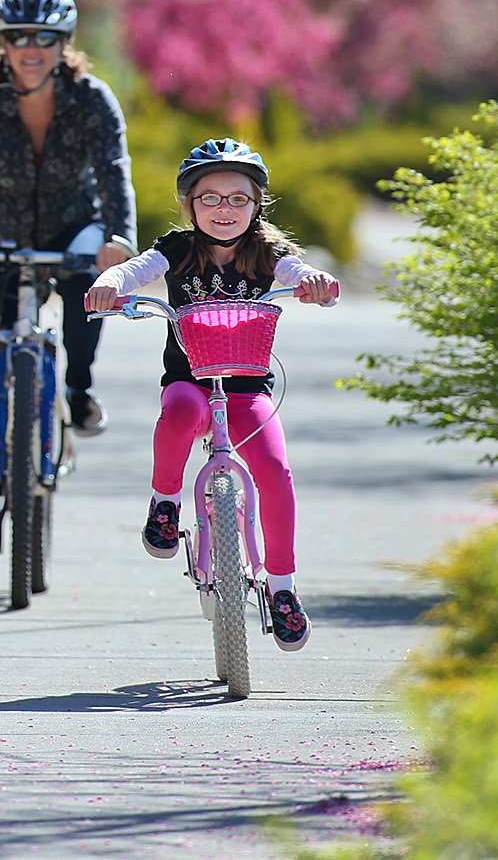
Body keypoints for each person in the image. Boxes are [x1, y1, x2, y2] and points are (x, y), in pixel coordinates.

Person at [83, 137, 339, 651]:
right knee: (178, 412)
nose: (224, 209)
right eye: (211, 198)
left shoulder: (268, 252)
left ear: (257, 204)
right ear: (190, 204)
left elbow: (297, 272)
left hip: (247, 388)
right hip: (190, 381)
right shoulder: (176, 249)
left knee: (274, 468)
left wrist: (314, 281)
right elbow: (134, 271)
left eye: (238, 199)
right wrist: (111, 281)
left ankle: (283, 587)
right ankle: (164, 502)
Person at [0, 0, 135, 555]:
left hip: (75, 227)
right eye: (19, 37)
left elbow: (114, 170)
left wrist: (120, 239)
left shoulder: (92, 99)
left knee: (90, 285)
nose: (31, 47)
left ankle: (79, 388)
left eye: (45, 37)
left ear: (64, 42)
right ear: (4, 43)